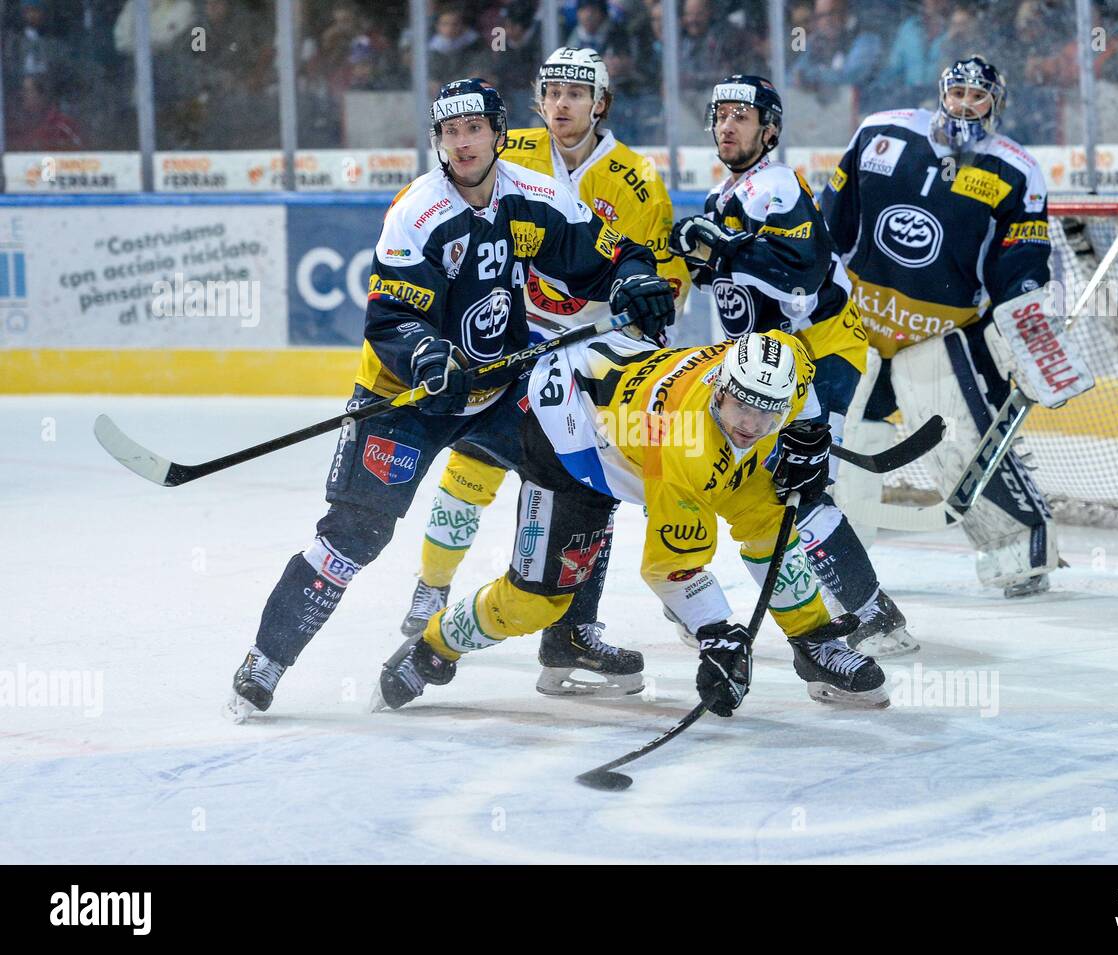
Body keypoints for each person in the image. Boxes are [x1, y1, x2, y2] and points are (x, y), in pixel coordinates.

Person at [226, 78, 675, 722]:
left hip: (493, 392)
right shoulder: (417, 211)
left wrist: (634, 279)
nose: (461, 143)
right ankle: (265, 661)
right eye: (448, 132)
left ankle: (566, 635)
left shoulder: (533, 194)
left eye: (473, 129)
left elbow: (600, 254)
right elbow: (390, 318)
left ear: (499, 133)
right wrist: (430, 355)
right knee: (355, 533)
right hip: (406, 399)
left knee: (585, 479)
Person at [374, 328, 889, 713]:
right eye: (740, 408)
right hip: (571, 433)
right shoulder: (684, 444)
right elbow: (671, 569)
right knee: (535, 600)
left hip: (620, 386)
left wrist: (808, 430)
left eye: (767, 414)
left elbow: (797, 356)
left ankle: (815, 641)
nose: (750, 426)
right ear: (719, 390)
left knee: (771, 522)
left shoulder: (771, 373)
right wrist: (717, 634)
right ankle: (432, 648)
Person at [399, 49, 691, 693]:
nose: (561, 104)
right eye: (551, 91)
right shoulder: (509, 148)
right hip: (502, 336)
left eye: (575, 93)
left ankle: (570, 630)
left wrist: (643, 302)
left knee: (591, 479)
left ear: (600, 103)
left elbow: (661, 274)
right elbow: (443, 218)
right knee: (471, 468)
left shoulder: (636, 180)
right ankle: (430, 593)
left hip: (585, 355)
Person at [666, 75, 915, 657]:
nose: (727, 125)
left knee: (802, 486)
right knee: (720, 474)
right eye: (721, 114)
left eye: (741, 116)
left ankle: (874, 613)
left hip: (821, 349)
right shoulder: (724, 196)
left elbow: (799, 274)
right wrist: (698, 256)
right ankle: (695, 601)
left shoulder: (774, 186)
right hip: (767, 365)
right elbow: (731, 282)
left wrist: (722, 247)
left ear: (769, 130)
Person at [819, 56, 1057, 599]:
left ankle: (1020, 553)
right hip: (859, 325)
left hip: (942, 331)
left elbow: (1020, 265)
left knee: (967, 440)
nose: (967, 105)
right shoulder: (880, 133)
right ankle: (834, 550)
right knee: (842, 443)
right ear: (941, 94)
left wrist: (1027, 324)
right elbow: (834, 224)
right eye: (959, 94)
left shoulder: (1015, 169)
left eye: (979, 97)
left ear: (996, 105)